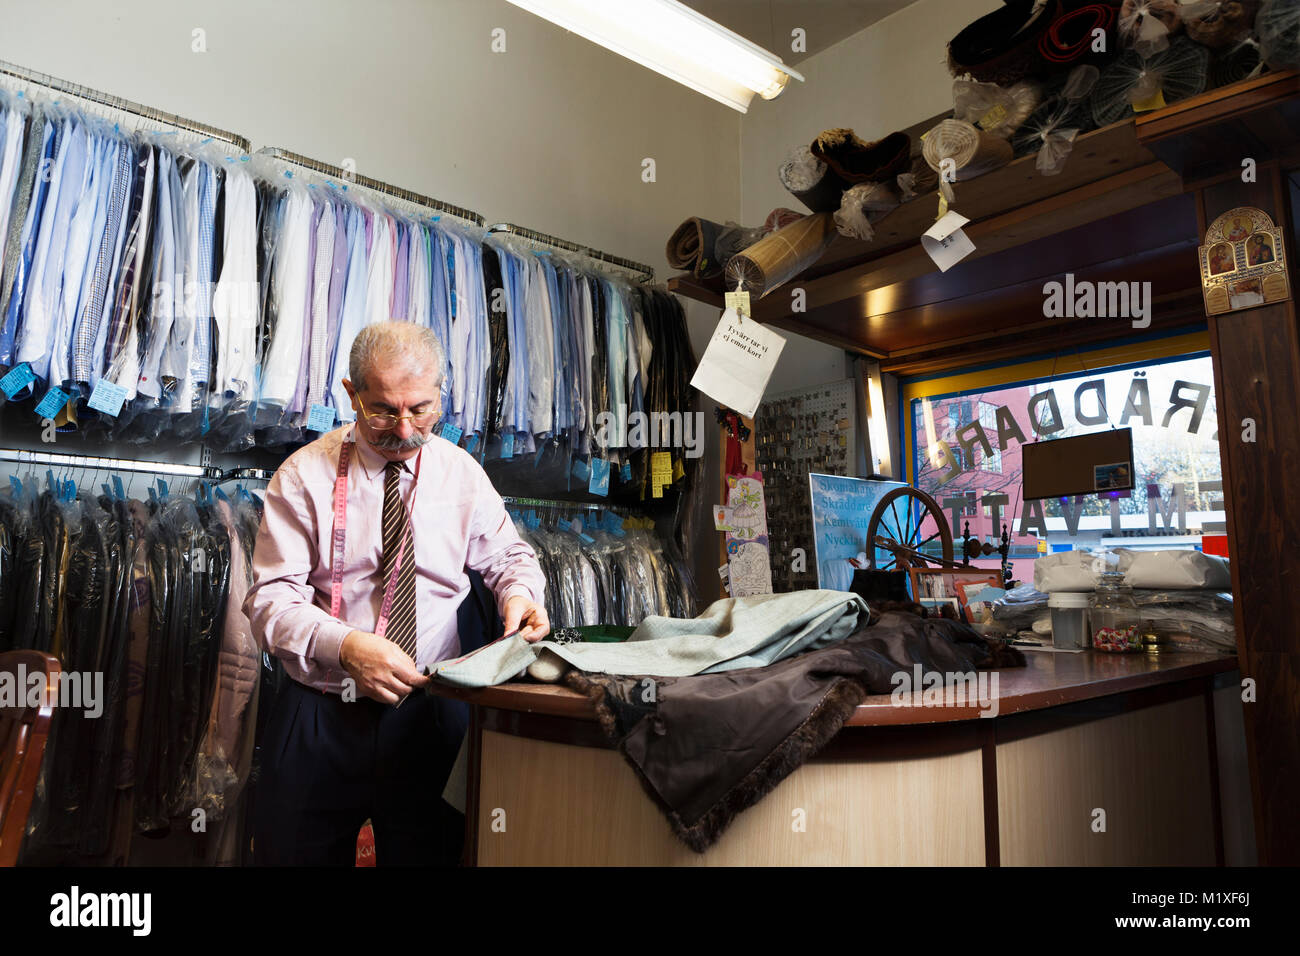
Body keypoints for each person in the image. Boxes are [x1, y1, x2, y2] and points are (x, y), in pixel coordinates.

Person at [243, 321, 549, 866]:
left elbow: (509, 556)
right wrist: (345, 646)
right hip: (320, 712)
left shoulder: (463, 474)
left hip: (431, 714)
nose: (405, 429)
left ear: (441, 396)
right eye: (383, 410)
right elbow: (269, 603)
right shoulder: (301, 477)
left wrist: (519, 594)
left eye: (422, 409)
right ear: (350, 393)